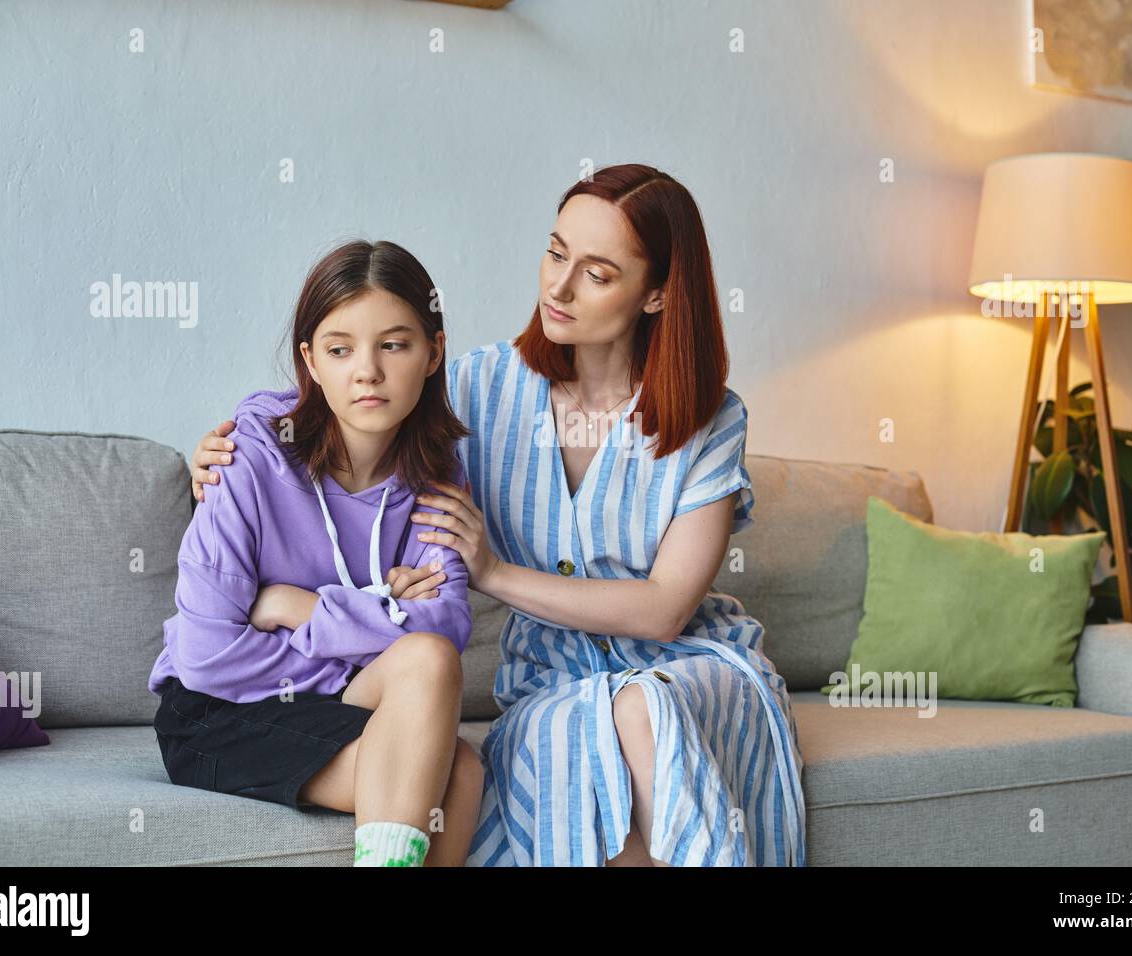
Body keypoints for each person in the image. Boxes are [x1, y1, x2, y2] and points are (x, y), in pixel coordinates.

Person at [190, 164, 806, 866]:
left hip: (686, 668)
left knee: (639, 710)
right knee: (576, 742)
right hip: (551, 683)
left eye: (597, 274)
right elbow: (352, 390)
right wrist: (224, 446)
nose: (559, 286)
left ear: (659, 293)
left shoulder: (712, 419)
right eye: (555, 253)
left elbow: (664, 611)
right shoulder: (480, 388)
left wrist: (494, 572)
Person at [150, 239, 481, 867]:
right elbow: (204, 655)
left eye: (394, 344)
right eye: (340, 349)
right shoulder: (247, 457)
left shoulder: (439, 479)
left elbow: (447, 625)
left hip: (335, 702)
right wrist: (366, 639)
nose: (367, 371)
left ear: (433, 353)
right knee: (451, 762)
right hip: (217, 715)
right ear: (311, 360)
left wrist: (299, 609)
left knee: (446, 711)